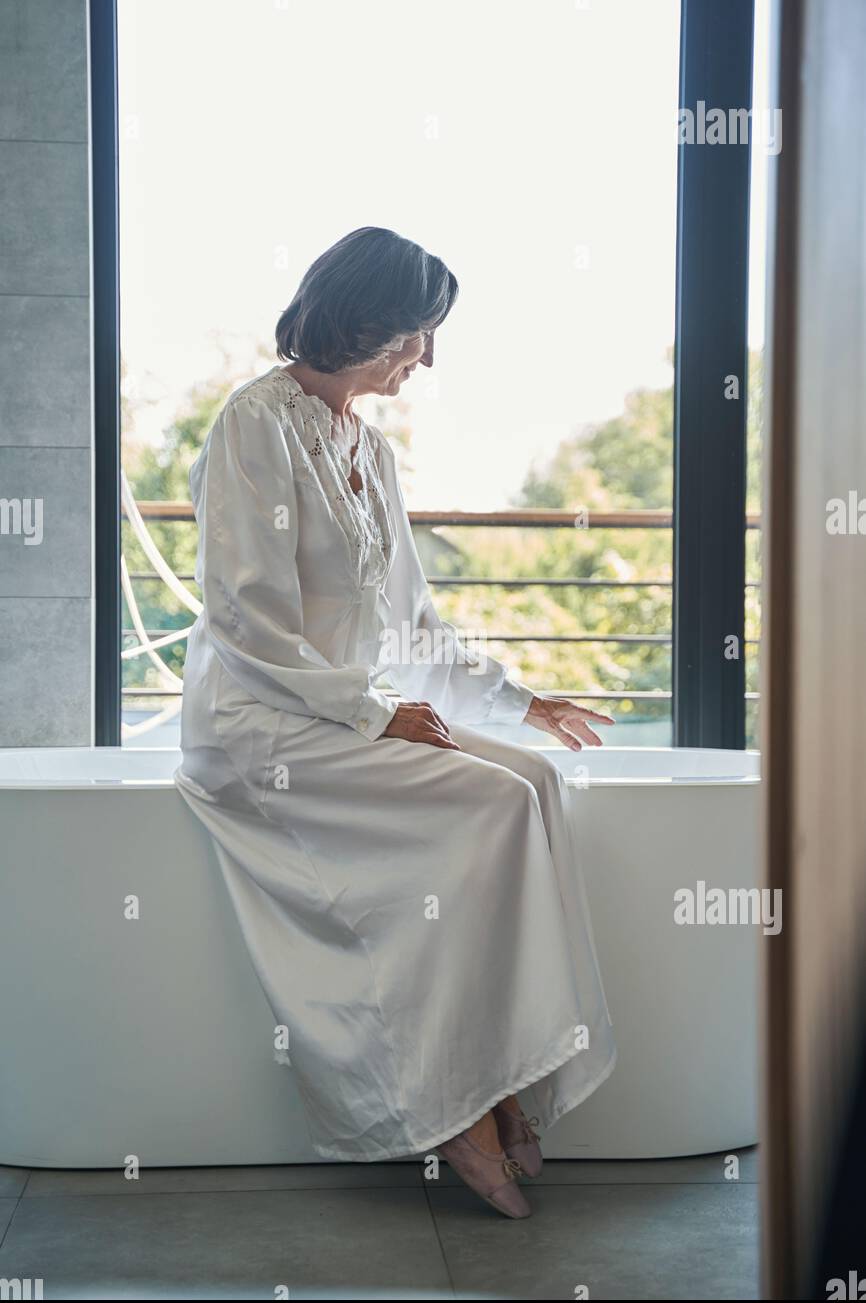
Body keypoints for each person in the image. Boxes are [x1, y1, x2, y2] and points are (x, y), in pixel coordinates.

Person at [175, 227, 617, 1219]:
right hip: (259, 726)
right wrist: (373, 715)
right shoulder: (255, 425)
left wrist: (520, 700)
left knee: (535, 783)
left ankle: (493, 1073)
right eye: (416, 335)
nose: (424, 358)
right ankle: (456, 1106)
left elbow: (410, 625)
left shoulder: (367, 446)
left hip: (341, 716)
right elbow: (246, 616)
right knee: (492, 809)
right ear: (366, 321)